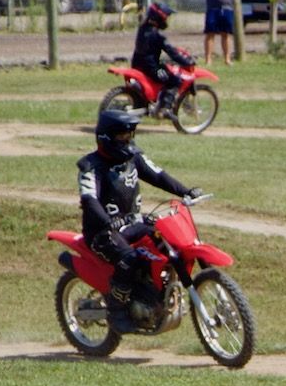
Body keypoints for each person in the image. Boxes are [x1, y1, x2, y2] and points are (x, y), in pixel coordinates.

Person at [77, 108, 201, 330]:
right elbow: (89, 200)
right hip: (102, 232)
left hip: (133, 222)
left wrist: (185, 192)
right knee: (130, 259)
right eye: (121, 137)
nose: (126, 141)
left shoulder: (133, 157)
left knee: (167, 241)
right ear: (106, 136)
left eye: (129, 136)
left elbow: (158, 175)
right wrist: (107, 222)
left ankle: (153, 295)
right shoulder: (90, 166)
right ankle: (116, 310)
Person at [131, 3, 192, 116]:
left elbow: (151, 50)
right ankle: (165, 109)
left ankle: (153, 101)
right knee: (175, 80)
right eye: (166, 17)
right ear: (160, 18)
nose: (167, 20)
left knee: (164, 69)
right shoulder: (158, 35)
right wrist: (186, 62)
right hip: (152, 69)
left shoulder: (142, 28)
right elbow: (172, 53)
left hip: (137, 64)